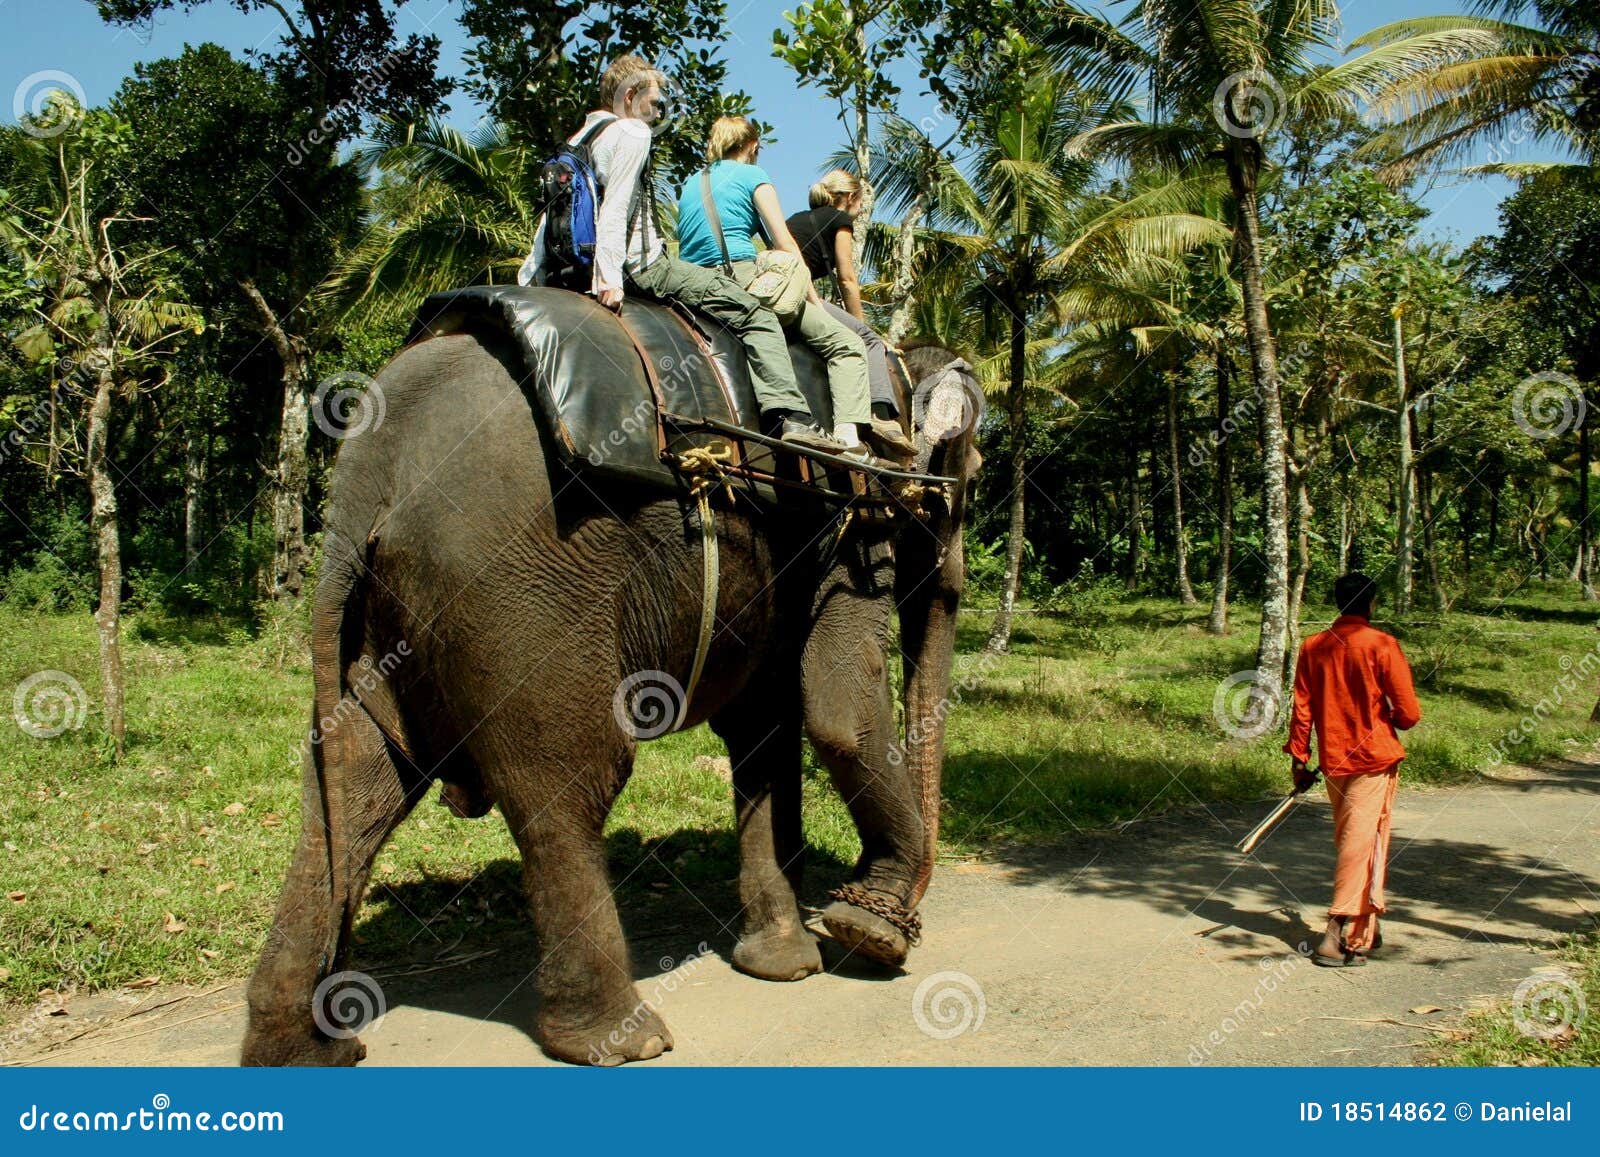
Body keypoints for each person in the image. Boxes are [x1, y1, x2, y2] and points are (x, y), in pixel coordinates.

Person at [521, 56, 838, 454]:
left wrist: (529, 281)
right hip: (644, 266)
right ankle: (791, 416)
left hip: (574, 272)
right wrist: (611, 280)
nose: (658, 111)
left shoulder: (583, 134)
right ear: (632, 94)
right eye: (654, 100)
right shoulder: (632, 132)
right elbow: (616, 207)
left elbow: (554, 214)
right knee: (755, 314)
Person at [674, 116, 885, 458]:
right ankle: (848, 440)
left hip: (693, 282)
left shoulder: (690, 182)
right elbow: (784, 243)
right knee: (846, 344)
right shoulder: (753, 176)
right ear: (753, 146)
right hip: (739, 279)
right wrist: (812, 299)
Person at [1283, 573, 1422, 967]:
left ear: (1337, 602)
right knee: (1361, 844)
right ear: (1371, 604)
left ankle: (1365, 927)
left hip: (1333, 761)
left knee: (1355, 839)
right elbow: (1409, 714)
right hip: (1373, 759)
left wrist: (1299, 760)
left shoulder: (1314, 646)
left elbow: (1302, 708)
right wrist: (1386, 715)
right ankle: (1333, 932)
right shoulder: (1382, 645)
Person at [786, 170, 913, 456]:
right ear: (851, 198)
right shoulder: (839, 220)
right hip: (797, 297)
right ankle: (880, 415)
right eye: (861, 202)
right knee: (868, 339)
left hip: (779, 293)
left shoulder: (797, 218)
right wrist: (860, 325)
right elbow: (847, 279)